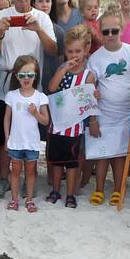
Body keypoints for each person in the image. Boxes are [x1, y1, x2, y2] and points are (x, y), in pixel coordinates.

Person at [0, 0, 56, 199]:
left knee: (31, 131)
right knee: (4, 133)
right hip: (5, 79)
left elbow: (53, 50)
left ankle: (27, 179)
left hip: (31, 80)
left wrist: (39, 30)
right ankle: (5, 179)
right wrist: (0, 33)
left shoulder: (42, 18)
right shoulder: (1, 16)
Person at [86, 10, 130, 208]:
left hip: (127, 114)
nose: (109, 35)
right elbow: (89, 89)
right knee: (102, 154)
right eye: (105, 31)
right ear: (99, 32)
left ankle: (118, 189)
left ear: (121, 30)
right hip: (103, 114)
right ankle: (99, 189)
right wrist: (92, 119)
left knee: (120, 155)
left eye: (114, 31)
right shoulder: (96, 58)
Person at [43, 26, 93, 208]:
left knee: (72, 163)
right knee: (56, 161)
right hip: (57, 124)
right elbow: (51, 88)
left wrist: (95, 96)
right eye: (70, 51)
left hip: (75, 127)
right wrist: (62, 70)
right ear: (65, 51)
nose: (74, 55)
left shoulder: (88, 75)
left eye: (78, 51)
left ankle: (70, 194)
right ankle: (55, 190)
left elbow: (89, 100)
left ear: (86, 50)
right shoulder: (62, 69)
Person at [2, 53, 48, 211]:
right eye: (22, 74)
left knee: (30, 172)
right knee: (14, 172)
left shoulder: (40, 97)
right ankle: (14, 200)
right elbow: (7, 118)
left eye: (30, 74)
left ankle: (29, 200)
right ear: (16, 76)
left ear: (36, 75)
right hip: (15, 142)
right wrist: (7, 137)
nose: (26, 78)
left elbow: (45, 121)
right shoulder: (11, 96)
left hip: (32, 143)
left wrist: (36, 113)